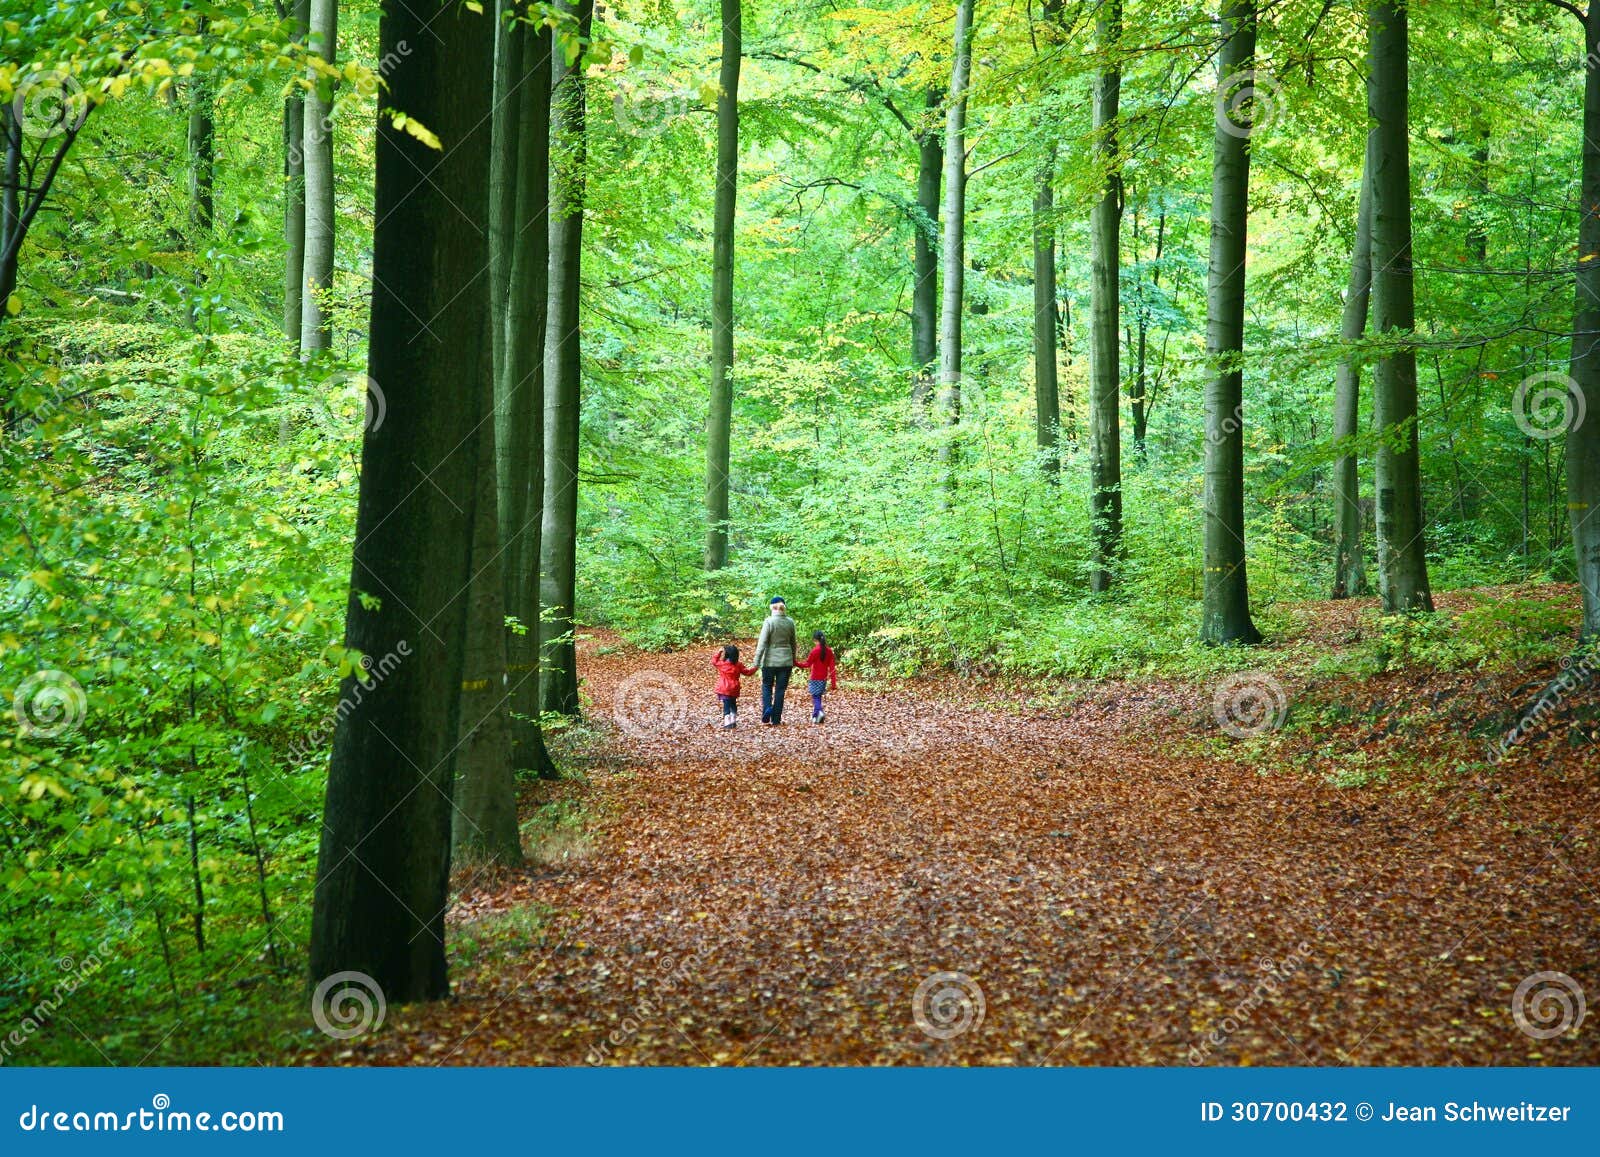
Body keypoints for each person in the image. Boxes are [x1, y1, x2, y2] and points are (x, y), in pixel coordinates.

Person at [752, 596, 798, 725]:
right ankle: (776, 719)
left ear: (771, 608)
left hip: (769, 661)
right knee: (780, 690)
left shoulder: (769, 622)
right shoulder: (790, 622)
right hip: (786, 661)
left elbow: (762, 643)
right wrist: (793, 658)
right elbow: (793, 642)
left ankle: (767, 709)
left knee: (767, 686)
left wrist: (756, 662)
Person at [795, 630, 838, 724]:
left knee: (815, 697)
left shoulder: (815, 651)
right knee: (818, 696)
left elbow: (807, 664)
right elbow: (832, 668)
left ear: (815, 640)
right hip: (823, 679)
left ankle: (820, 712)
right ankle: (815, 717)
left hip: (814, 678)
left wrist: (795, 663)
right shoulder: (829, 651)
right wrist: (833, 684)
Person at [711, 644, 758, 729]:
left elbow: (714, 661)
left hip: (723, 687)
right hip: (734, 688)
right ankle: (733, 719)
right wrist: (755, 668)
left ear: (726, 654)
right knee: (733, 703)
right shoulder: (738, 665)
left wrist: (719, 652)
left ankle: (727, 720)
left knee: (726, 703)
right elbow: (747, 672)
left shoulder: (722, 664)